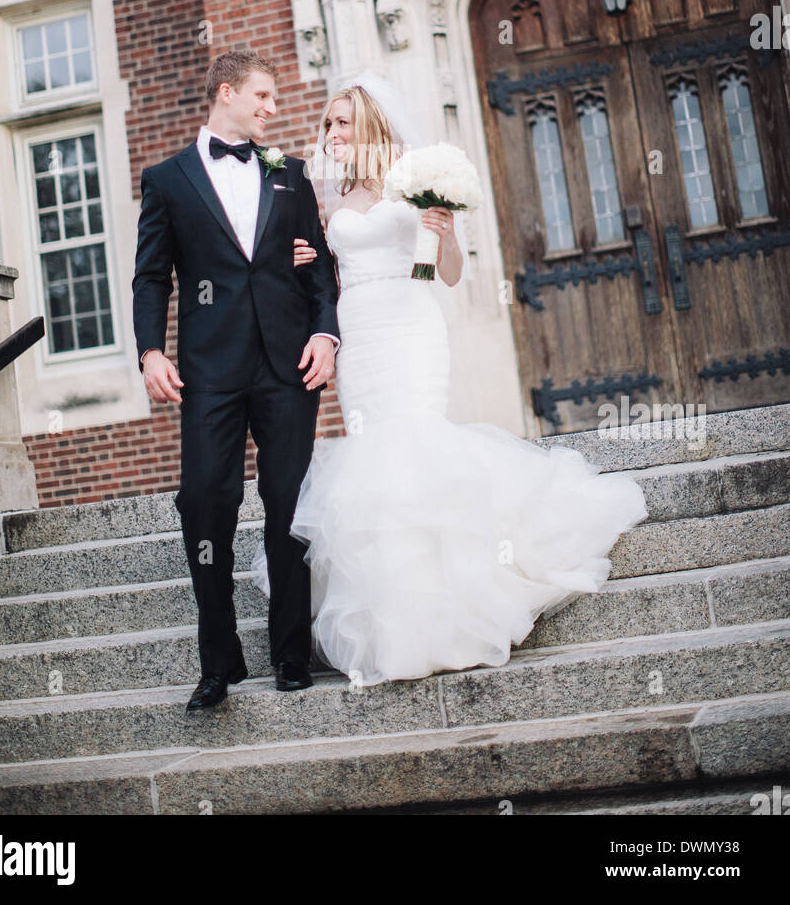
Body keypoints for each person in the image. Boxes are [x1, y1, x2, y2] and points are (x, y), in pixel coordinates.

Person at [283, 76, 649, 687]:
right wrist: (308, 259)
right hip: (360, 334)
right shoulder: (336, 198)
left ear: (371, 125)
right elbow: (335, 271)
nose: (332, 134)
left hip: (410, 323)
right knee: (374, 459)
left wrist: (444, 232)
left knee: (417, 444)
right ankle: (398, 617)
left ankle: (456, 608)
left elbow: (444, 275)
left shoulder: (414, 180)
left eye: (342, 123)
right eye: (328, 125)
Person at [132, 49, 339, 711]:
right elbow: (149, 275)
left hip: (289, 366)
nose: (273, 109)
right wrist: (148, 352)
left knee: (288, 506)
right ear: (227, 94)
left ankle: (290, 655)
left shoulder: (290, 175)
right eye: (264, 97)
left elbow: (319, 270)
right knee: (204, 503)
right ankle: (219, 663)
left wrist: (326, 335)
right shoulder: (167, 180)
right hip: (209, 372)